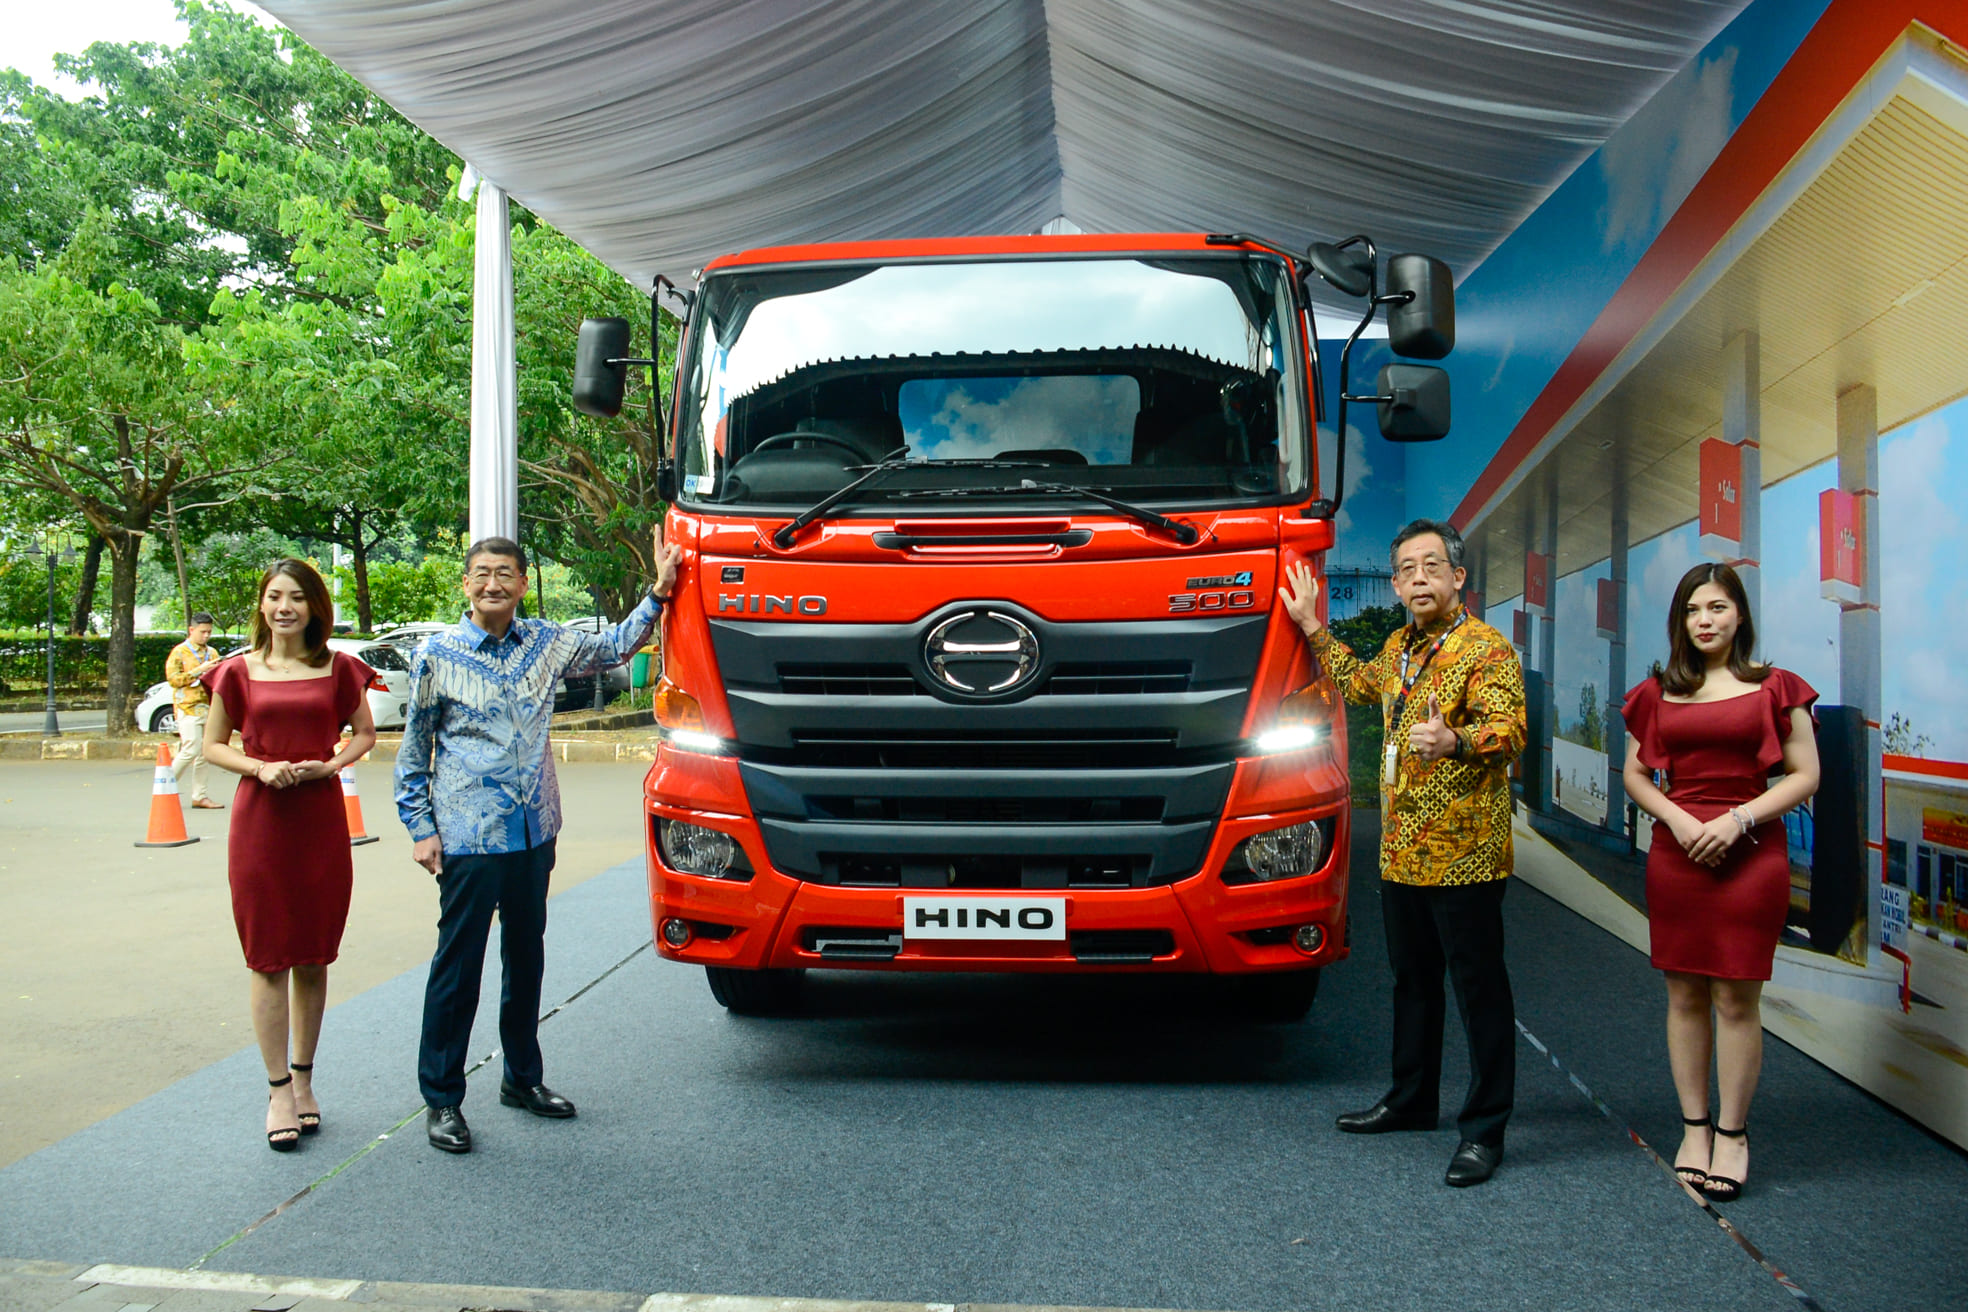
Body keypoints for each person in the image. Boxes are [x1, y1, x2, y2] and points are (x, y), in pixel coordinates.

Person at [396, 534, 682, 1154]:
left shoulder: (548, 643)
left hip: (533, 834)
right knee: (459, 968)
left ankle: (522, 1079)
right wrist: (420, 828)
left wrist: (659, 592)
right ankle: (442, 1098)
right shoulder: (436, 656)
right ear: (464, 584)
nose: (492, 583)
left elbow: (612, 647)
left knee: (526, 960)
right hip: (470, 838)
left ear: (524, 584)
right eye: (481, 574)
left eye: (505, 573)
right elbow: (414, 751)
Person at [1278, 518, 1526, 1187]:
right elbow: (1360, 685)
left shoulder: (1486, 650)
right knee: (1413, 984)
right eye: (1406, 570)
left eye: (1431, 566)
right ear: (1395, 584)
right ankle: (1413, 1100)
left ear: (1458, 578)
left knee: (1479, 990)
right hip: (1402, 853)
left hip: (1465, 855)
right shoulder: (1400, 647)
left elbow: (1510, 733)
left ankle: (1484, 1130)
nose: (1419, 578)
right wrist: (1311, 627)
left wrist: (1458, 743)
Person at [1620, 563, 1819, 1203]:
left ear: (1740, 615)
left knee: (1736, 999)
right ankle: (1694, 1128)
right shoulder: (1655, 693)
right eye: (1692, 611)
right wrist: (1680, 821)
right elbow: (1636, 776)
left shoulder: (1776, 688)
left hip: (1751, 852)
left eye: (1716, 608)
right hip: (1676, 855)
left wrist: (1735, 820)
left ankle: (1733, 1134)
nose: (1704, 621)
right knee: (1683, 996)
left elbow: (1804, 776)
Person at [199, 560, 378, 1151]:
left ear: (314, 606)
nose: (284, 607)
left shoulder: (340, 668)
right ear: (262, 604)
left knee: (313, 957)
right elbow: (213, 747)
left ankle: (304, 1081)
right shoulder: (236, 672)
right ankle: (277, 1089)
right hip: (261, 824)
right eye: (274, 596)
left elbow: (365, 734)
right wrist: (262, 767)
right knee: (268, 957)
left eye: (296, 597)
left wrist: (330, 765)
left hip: (319, 819)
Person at [166, 612, 225, 809]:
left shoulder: (213, 653)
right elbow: (174, 679)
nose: (206, 636)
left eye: (209, 632)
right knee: (191, 747)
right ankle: (165, 784)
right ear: (192, 630)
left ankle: (199, 795)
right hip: (187, 707)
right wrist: (199, 671)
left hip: (208, 707)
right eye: (202, 632)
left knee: (204, 754)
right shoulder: (179, 652)